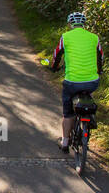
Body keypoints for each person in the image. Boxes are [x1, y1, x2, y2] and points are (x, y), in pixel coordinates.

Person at [44, 11, 102, 151]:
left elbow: (57, 54)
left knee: (68, 113)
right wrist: (99, 71)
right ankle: (90, 116)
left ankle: (65, 142)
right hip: (92, 82)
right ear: (84, 24)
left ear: (70, 24)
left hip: (72, 82)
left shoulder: (65, 37)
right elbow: (100, 57)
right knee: (89, 92)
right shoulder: (94, 38)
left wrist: (54, 67)